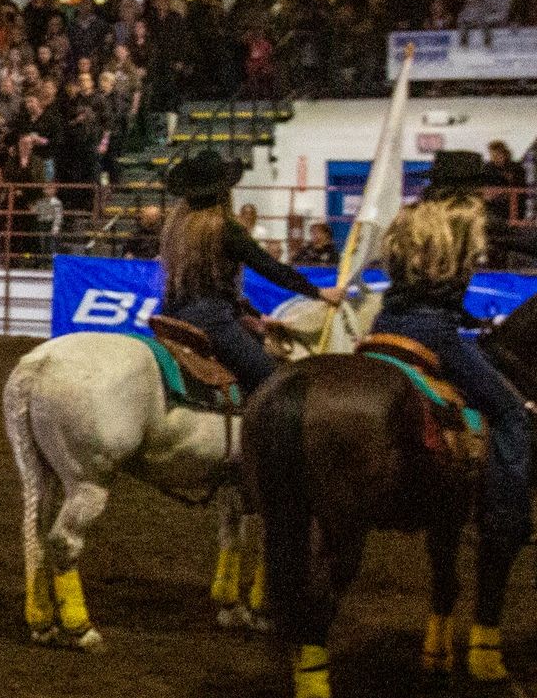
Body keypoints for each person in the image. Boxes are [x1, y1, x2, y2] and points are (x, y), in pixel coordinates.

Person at [377, 150, 531, 577]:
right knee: (511, 414)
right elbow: (529, 242)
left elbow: (415, 288)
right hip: (435, 335)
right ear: (472, 187)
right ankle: (507, 517)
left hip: (386, 324)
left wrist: (466, 317)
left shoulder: (408, 218)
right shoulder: (471, 220)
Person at [158, 149, 341, 393]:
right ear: (224, 191)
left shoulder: (176, 226)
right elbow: (269, 267)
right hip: (211, 319)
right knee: (276, 384)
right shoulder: (224, 228)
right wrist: (318, 292)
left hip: (172, 312)